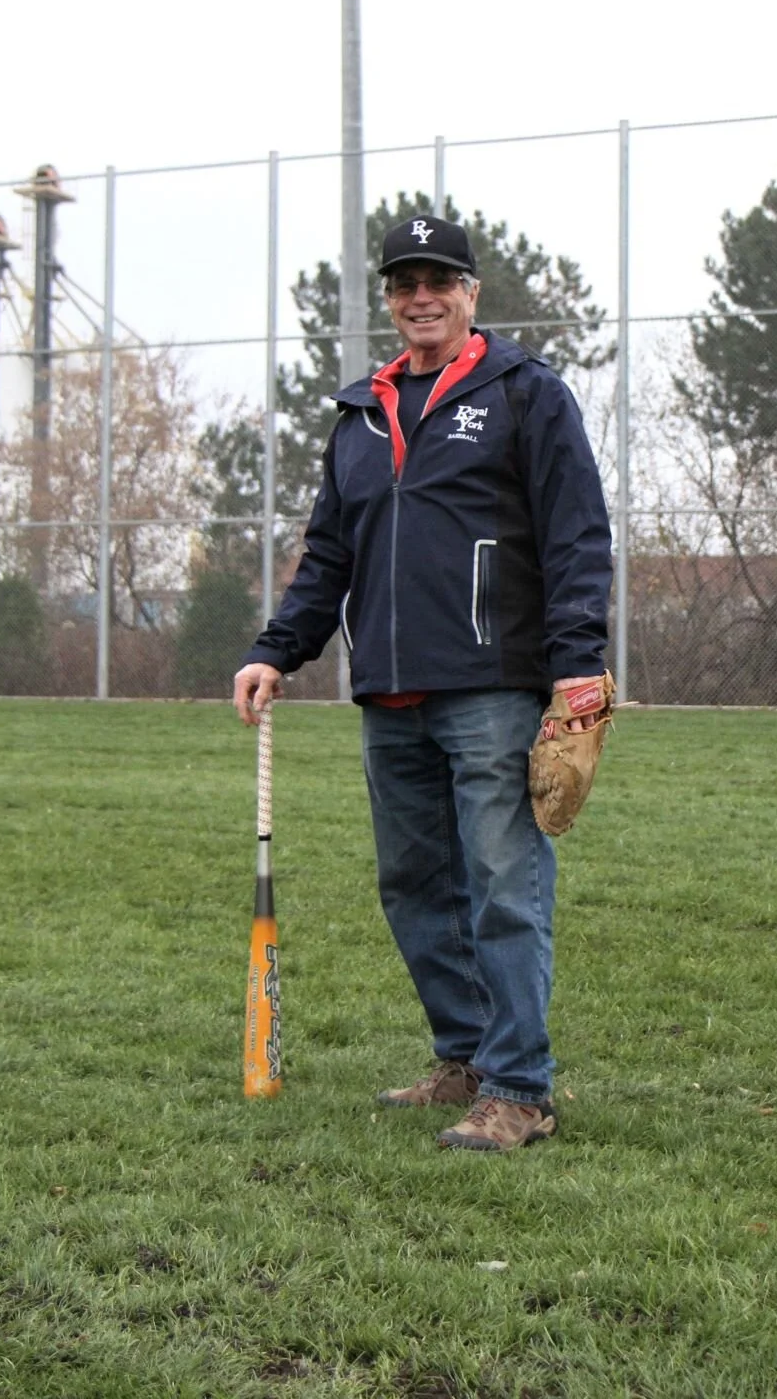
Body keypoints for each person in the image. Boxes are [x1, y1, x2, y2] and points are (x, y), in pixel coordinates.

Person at [232, 213, 613, 1153]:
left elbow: (576, 536)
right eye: (404, 284)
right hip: (390, 692)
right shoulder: (358, 416)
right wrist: (278, 648)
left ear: (471, 292)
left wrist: (578, 668)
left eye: (439, 280)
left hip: (492, 684)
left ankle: (521, 1091)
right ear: (389, 300)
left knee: (501, 884)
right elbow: (331, 551)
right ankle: (468, 1059)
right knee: (412, 883)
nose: (421, 297)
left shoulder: (527, 394)